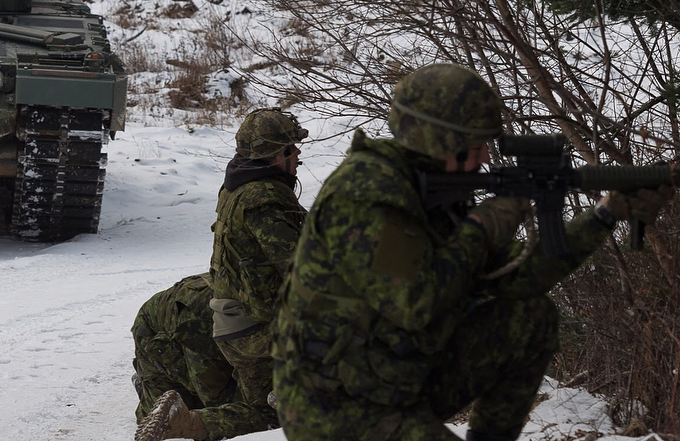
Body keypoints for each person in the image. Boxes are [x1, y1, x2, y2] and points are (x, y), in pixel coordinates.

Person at [271, 63, 675, 441]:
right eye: (475, 145)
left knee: (530, 318)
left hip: (394, 375)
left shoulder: (431, 188)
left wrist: (605, 214)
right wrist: (482, 228)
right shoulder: (365, 194)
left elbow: (517, 277)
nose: (484, 157)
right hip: (331, 403)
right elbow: (417, 301)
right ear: (438, 139)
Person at [137, 108, 308, 441]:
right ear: (274, 154)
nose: (298, 153)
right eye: (291, 147)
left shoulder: (237, 187)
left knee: (257, 406)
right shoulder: (265, 197)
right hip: (258, 329)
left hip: (235, 323)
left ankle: (178, 422)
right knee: (272, 416)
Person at [131, 274, 236, 425]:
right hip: (156, 334)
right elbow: (215, 399)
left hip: (197, 321)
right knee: (171, 419)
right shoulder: (198, 328)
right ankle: (146, 384)